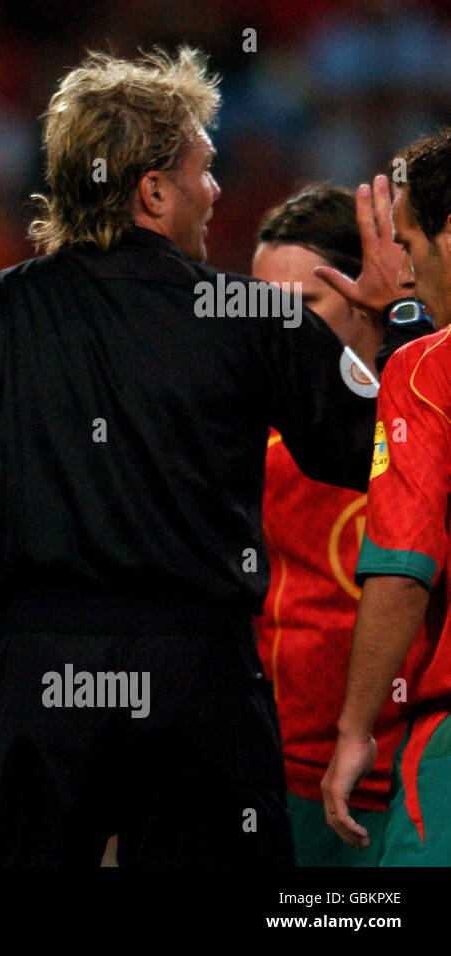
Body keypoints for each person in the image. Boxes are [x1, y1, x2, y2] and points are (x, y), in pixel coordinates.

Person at [0, 47, 421, 866]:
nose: (216, 192)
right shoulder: (251, 317)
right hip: (202, 684)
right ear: (153, 189)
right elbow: (371, 450)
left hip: (40, 681)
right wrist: (403, 320)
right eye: (204, 169)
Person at [252, 182, 426, 866]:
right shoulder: (239, 433)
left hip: (417, 769)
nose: (276, 331)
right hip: (284, 779)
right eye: (261, 308)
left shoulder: (430, 418)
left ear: (368, 298)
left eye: (303, 308)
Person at [323, 128, 451, 865]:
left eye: (408, 242)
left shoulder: (427, 373)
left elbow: (404, 564)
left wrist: (354, 729)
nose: (401, 267)